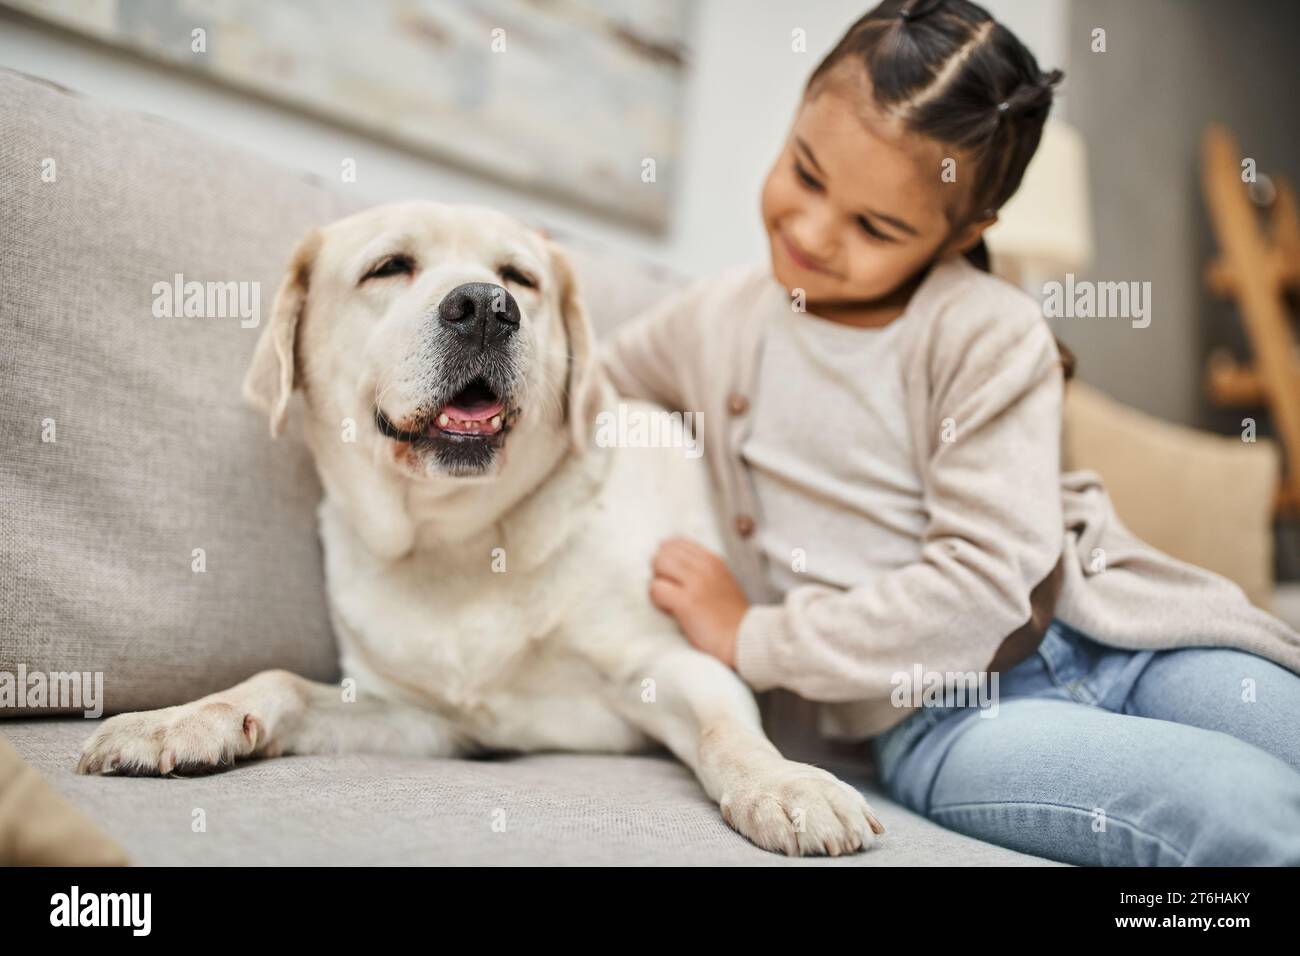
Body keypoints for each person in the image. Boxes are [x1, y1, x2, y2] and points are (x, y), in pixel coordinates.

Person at [599, 0, 1300, 865]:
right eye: (806, 173)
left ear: (964, 231)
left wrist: (758, 637)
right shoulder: (714, 321)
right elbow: (585, 385)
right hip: (944, 718)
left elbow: (981, 586)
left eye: (875, 226)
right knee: (1241, 808)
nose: (813, 232)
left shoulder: (987, 330)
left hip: (1122, 635)